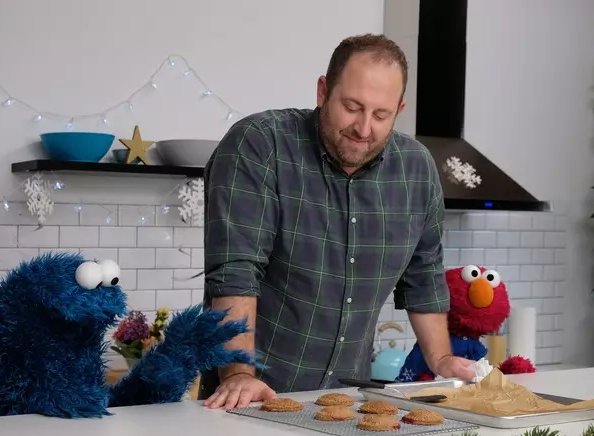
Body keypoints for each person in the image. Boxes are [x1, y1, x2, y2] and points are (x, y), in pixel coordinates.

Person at [199, 33, 476, 410]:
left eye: (381, 115)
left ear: (400, 108)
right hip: (252, 396)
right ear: (322, 91)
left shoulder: (416, 168)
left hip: (345, 403)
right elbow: (235, 272)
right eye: (351, 106)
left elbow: (424, 275)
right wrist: (239, 375)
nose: (364, 128)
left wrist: (441, 360)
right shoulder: (260, 144)